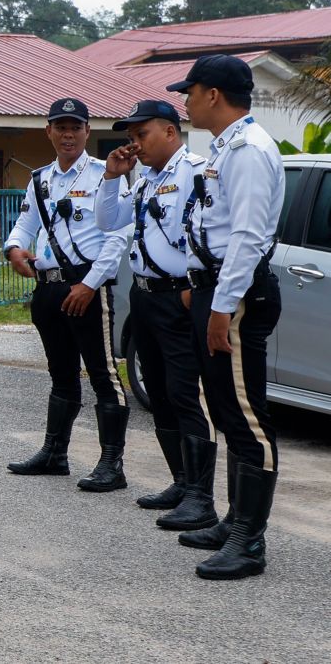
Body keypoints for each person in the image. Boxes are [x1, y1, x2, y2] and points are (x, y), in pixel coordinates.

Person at [164, 55, 284, 580]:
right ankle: (234, 520)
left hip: (235, 297)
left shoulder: (250, 150)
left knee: (246, 416)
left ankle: (248, 542)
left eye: (189, 92)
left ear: (213, 94)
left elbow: (248, 236)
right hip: (213, 289)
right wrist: (199, 283)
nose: (184, 101)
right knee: (225, 411)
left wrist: (221, 304)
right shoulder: (224, 147)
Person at [95, 101, 219, 533]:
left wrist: (193, 282)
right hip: (144, 296)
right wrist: (112, 177)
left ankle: (202, 499)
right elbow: (109, 221)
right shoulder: (145, 178)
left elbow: (207, 228)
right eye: (130, 135)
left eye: (141, 134)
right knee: (159, 393)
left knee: (185, 393)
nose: (134, 143)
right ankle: (181, 483)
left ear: (170, 132)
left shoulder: (196, 171)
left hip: (177, 296)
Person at [3, 98, 131, 491]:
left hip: (86, 288)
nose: (68, 134)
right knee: (61, 373)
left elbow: (117, 236)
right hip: (49, 287)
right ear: (49, 131)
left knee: (102, 375)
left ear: (88, 132)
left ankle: (112, 463)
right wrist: (12, 249)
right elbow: (25, 224)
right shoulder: (40, 178)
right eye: (60, 127)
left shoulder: (104, 175)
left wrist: (91, 284)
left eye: (75, 127)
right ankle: (55, 453)